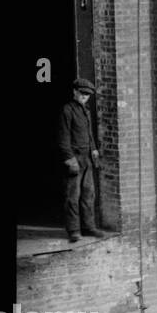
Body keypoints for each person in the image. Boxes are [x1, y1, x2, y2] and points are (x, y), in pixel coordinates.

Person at [58, 77, 100, 243]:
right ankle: (74, 230)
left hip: (87, 158)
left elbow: (89, 134)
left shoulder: (85, 110)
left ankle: (89, 227)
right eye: (82, 94)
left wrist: (94, 150)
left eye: (87, 95)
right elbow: (63, 138)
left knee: (88, 194)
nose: (84, 97)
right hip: (75, 157)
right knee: (72, 196)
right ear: (74, 92)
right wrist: (69, 159)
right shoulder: (67, 110)